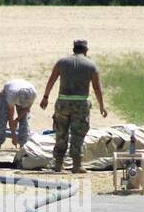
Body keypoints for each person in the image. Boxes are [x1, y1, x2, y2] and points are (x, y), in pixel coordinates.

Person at [39, 39, 108, 173]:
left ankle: (58, 165)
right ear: (86, 50)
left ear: (73, 49)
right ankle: (76, 165)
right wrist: (102, 106)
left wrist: (45, 97)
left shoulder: (62, 62)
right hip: (81, 104)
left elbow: (52, 79)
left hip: (62, 103)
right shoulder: (91, 65)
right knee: (78, 134)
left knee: (60, 133)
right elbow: (97, 88)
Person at [0, 79, 38, 151]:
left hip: (19, 90)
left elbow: (26, 110)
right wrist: (13, 136)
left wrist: (17, 119)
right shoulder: (12, 95)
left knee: (24, 120)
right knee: (2, 119)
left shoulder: (33, 94)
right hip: (6, 94)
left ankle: (23, 146)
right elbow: (10, 117)